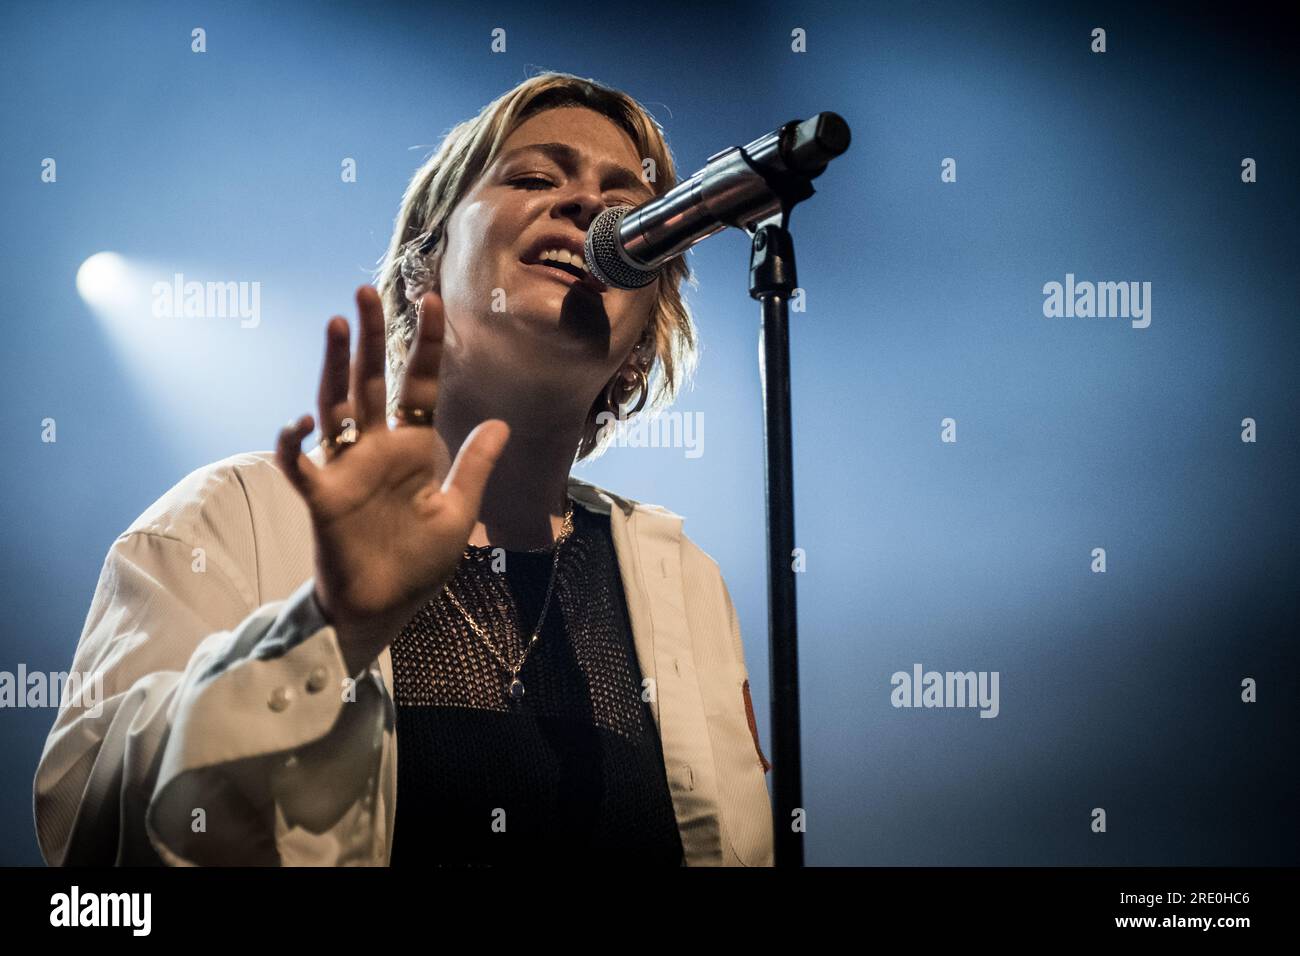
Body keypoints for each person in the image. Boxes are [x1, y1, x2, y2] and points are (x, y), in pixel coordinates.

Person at [33, 71, 773, 866]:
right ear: (425, 264)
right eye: (532, 176)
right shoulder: (230, 518)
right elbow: (95, 844)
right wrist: (327, 631)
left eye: (630, 208)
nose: (591, 208)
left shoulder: (685, 583)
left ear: (643, 330)